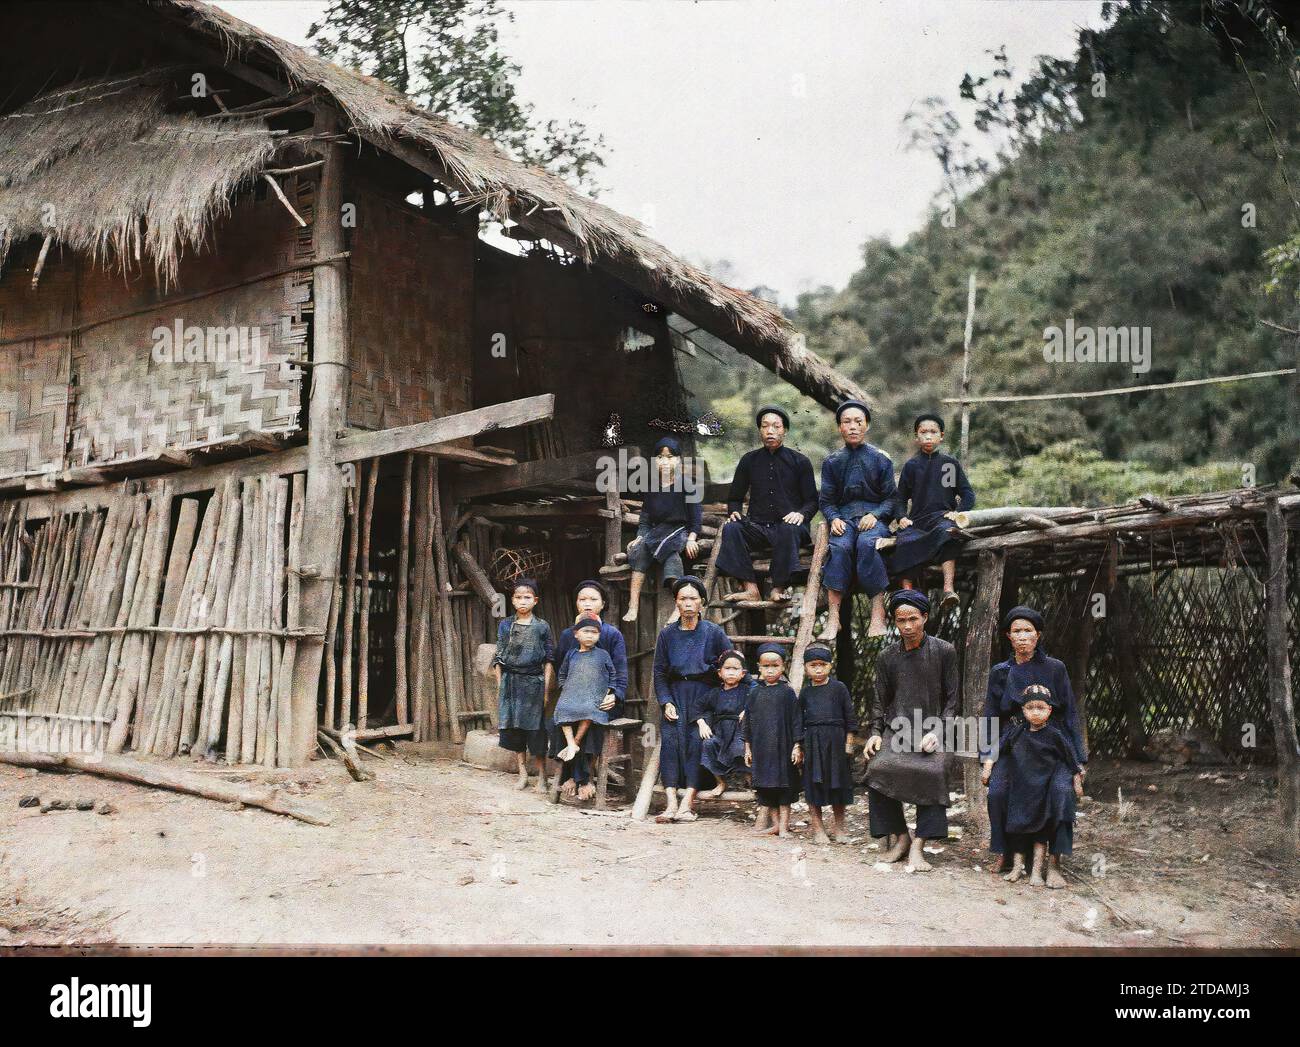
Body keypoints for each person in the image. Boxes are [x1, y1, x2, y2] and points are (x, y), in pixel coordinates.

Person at [982, 605, 1088, 884]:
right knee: (998, 791)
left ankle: (1055, 863)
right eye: (1016, 631)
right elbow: (991, 716)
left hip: (1051, 745)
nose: (1022, 636)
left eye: (1028, 630)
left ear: (1038, 635)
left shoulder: (1055, 668)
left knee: (1061, 792)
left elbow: (1070, 713)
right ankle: (1006, 850)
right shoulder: (1000, 672)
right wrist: (989, 757)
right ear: (1008, 636)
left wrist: (1078, 761)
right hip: (1015, 743)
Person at [862, 590, 958, 871]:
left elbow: (953, 700)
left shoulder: (944, 651)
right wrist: (876, 732)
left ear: (925, 618)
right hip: (898, 730)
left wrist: (938, 731)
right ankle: (901, 838)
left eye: (913, 619)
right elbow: (880, 698)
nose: (906, 626)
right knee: (877, 769)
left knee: (934, 772)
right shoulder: (887, 657)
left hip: (935, 729)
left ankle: (919, 846)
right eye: (900, 620)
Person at [984, 683, 1084, 888]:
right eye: (1030, 708)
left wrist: (1076, 779)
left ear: (1049, 710)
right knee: (1016, 821)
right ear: (1023, 710)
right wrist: (987, 768)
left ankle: (1042, 870)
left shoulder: (1055, 734)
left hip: (1042, 784)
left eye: (1041, 708)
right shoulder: (1017, 731)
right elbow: (997, 749)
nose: (1035, 712)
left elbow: (1071, 759)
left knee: (1045, 821)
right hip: (1022, 786)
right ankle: (1015, 865)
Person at [715, 405, 817, 604]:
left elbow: (812, 501)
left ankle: (778, 588)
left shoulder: (800, 462)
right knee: (732, 529)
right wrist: (734, 511)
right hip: (758, 528)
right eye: (765, 426)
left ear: (785, 430)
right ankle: (751, 588)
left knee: (789, 529)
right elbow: (734, 497)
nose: (770, 431)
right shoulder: (749, 461)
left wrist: (801, 514)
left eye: (776, 426)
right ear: (760, 430)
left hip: (790, 529)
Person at [651, 575, 732, 823]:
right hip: (676, 694)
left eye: (693, 599)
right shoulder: (667, 635)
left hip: (704, 696)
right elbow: (660, 672)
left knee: (698, 742)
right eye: (683, 598)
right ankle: (671, 803)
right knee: (671, 744)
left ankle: (688, 803)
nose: (688, 603)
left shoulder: (713, 632)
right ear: (676, 602)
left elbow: (731, 662)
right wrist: (665, 701)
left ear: (702, 603)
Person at [819, 399, 896, 640]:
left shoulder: (881, 459)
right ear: (839, 427)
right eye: (846, 422)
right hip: (844, 519)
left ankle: (877, 615)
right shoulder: (832, 462)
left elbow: (892, 499)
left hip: (874, 520)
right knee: (839, 547)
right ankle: (833, 619)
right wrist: (833, 518)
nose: (852, 426)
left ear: (867, 426)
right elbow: (826, 500)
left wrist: (876, 515)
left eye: (858, 422)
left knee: (867, 544)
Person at [885, 413, 975, 610]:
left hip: (942, 517)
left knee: (949, 533)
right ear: (916, 437)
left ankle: (948, 589)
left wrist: (958, 512)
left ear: (941, 436)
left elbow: (967, 494)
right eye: (923, 432)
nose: (928, 436)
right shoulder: (911, 466)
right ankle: (907, 593)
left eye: (933, 432)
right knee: (904, 540)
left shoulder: (949, 465)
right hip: (917, 521)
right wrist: (901, 517)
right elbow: (900, 498)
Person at [549, 580, 628, 801]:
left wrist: (615, 695)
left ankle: (580, 776)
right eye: (582, 599)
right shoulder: (568, 636)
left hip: (604, 699)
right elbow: (559, 668)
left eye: (593, 599)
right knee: (561, 717)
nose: (587, 604)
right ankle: (576, 775)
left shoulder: (612, 635)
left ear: (603, 603)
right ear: (576, 603)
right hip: (575, 698)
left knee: (592, 718)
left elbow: (620, 672)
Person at [624, 436, 702, 623]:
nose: (665, 461)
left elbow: (695, 518)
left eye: (670, 457)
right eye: (660, 457)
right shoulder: (651, 487)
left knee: (671, 553)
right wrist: (640, 536)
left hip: (679, 531)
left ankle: (678, 607)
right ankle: (633, 605)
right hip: (657, 532)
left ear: (679, 460)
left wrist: (692, 538)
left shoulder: (688, 484)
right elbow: (645, 519)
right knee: (641, 550)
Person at [492, 579, 556, 793]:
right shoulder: (505, 625)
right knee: (515, 731)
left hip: (533, 685)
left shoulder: (542, 626)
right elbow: (498, 658)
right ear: (512, 600)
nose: (522, 601)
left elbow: (548, 660)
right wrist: (501, 687)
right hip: (511, 685)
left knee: (536, 732)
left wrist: (545, 690)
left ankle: (541, 778)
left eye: (527, 597)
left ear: (535, 600)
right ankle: (522, 774)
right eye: (518, 597)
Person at [797, 644, 858, 844]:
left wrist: (849, 743)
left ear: (830, 666)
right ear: (806, 667)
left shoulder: (839, 688)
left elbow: (850, 717)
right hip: (813, 742)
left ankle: (839, 829)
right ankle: (818, 829)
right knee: (813, 785)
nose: (818, 669)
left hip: (836, 741)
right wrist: (799, 745)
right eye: (813, 665)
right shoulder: (805, 693)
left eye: (822, 665)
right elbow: (798, 720)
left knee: (838, 785)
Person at [742, 642, 803, 838]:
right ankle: (776, 825)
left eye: (774, 666)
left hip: (783, 748)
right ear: (759, 667)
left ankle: (784, 827)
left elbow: (796, 720)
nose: (770, 670)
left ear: (782, 666)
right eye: (766, 666)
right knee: (767, 788)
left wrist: (797, 745)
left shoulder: (787, 692)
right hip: (761, 749)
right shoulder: (754, 692)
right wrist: (747, 748)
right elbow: (747, 722)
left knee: (784, 788)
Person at [553, 613, 618, 762]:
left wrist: (610, 690)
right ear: (576, 634)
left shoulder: (603, 654)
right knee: (562, 708)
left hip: (594, 693)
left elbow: (613, 675)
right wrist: (564, 687)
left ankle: (576, 741)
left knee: (590, 710)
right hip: (573, 692)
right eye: (585, 631)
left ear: (599, 635)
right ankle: (571, 743)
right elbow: (562, 673)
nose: (590, 635)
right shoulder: (571, 654)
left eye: (594, 632)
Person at [697, 649, 755, 799]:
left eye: (735, 669)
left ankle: (751, 780)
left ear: (743, 674)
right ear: (719, 673)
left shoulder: (747, 691)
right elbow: (697, 707)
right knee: (708, 745)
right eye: (727, 669)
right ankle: (721, 782)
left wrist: (747, 710)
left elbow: (758, 703)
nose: (731, 672)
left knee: (741, 748)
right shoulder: (714, 693)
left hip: (740, 731)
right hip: (721, 731)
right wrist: (701, 722)